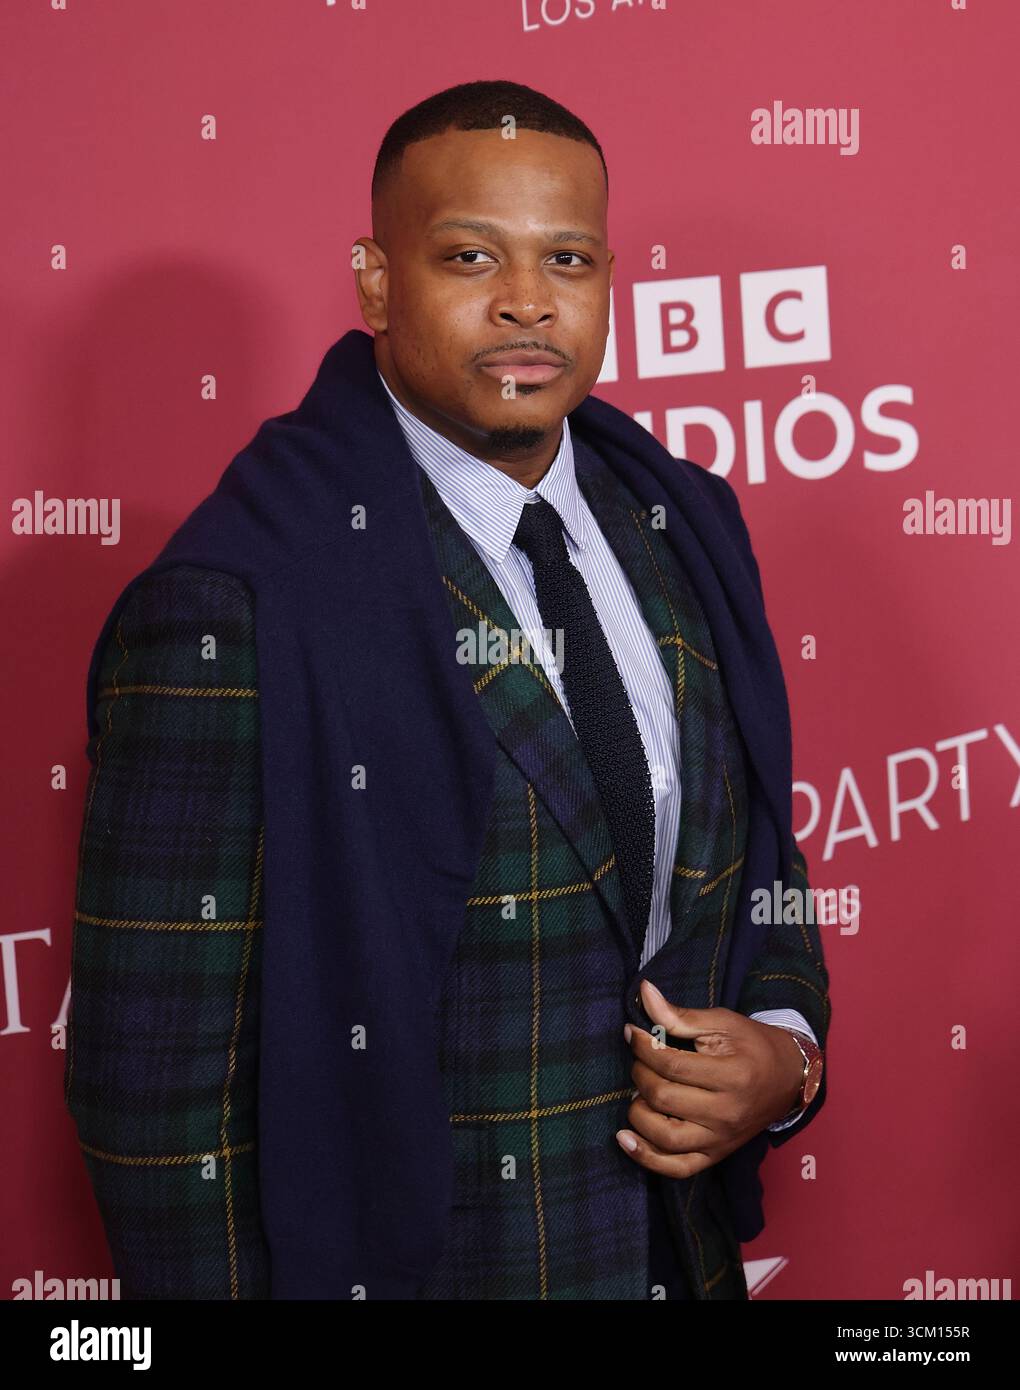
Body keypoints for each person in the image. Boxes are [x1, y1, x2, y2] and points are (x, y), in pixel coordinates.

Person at [64, 79, 830, 1301]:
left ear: (610, 281)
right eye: (471, 255)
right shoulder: (235, 603)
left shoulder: (684, 525)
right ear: (374, 281)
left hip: (679, 1265)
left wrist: (787, 1055)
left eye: (567, 259)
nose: (527, 301)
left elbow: (764, 866)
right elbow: (157, 1099)